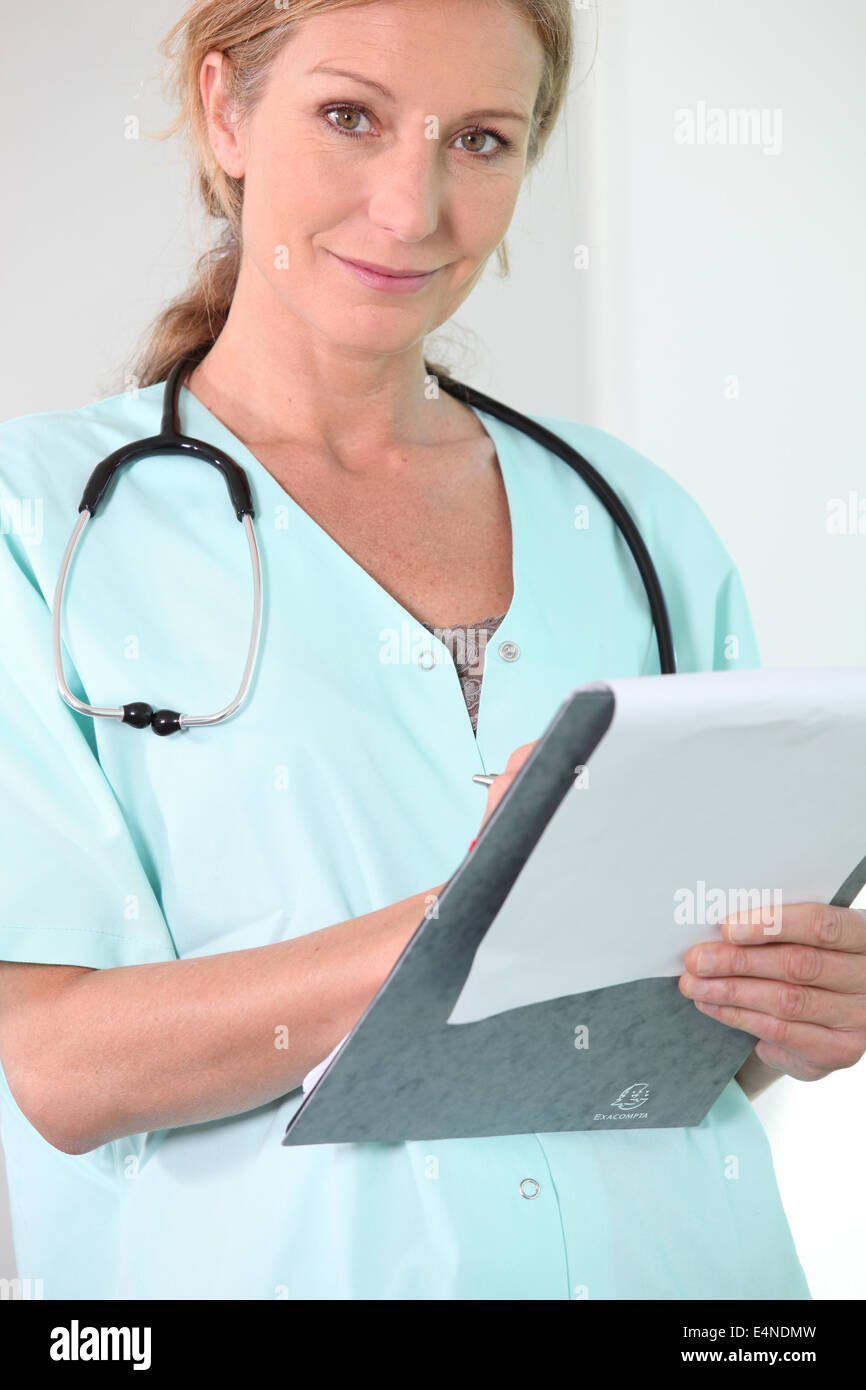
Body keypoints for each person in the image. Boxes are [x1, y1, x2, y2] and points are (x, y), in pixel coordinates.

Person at [1, 0, 862, 1302]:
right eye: (350, 116)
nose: (412, 207)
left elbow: (678, 1033)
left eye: (480, 139)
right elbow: (58, 1067)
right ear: (228, 109)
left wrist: (788, 1006)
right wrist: (462, 923)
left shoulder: (631, 521)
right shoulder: (43, 524)